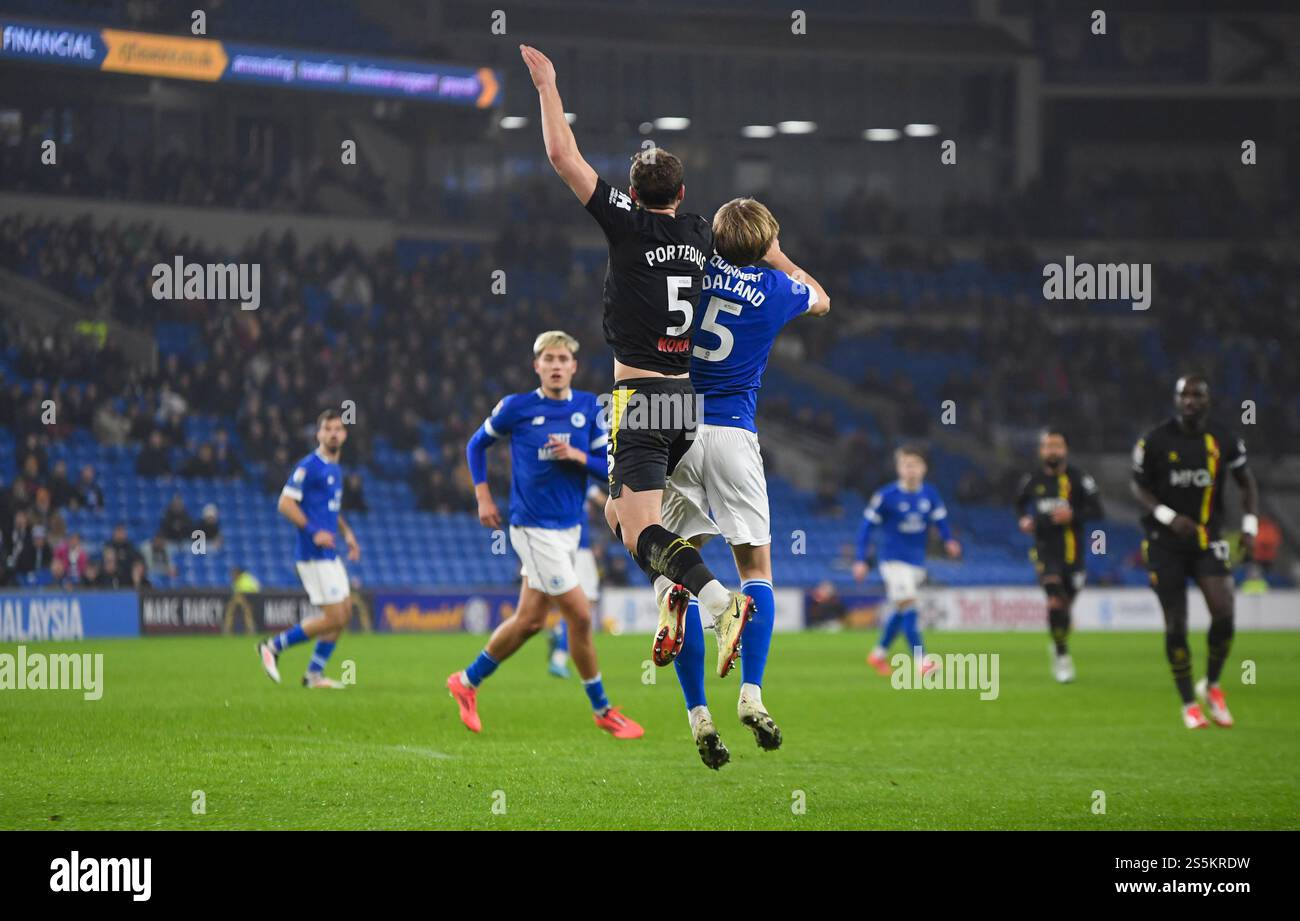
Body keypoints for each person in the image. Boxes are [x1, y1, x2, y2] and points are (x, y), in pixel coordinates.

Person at [521, 43, 752, 679]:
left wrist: (548, 86)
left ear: (631, 191)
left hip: (641, 399)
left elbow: (561, 155)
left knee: (642, 530)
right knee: (620, 518)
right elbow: (752, 240)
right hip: (686, 403)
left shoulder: (627, 224)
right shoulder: (701, 233)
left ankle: (715, 601)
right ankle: (672, 595)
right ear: (681, 194)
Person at [659, 197, 830, 768]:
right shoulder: (777, 290)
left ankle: (696, 714)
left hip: (673, 424)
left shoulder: (692, 269)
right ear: (764, 243)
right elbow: (823, 298)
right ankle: (751, 694)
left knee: (677, 566)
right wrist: (777, 255)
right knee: (755, 571)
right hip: (732, 433)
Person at [449, 331, 643, 739]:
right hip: (531, 528)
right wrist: (483, 496)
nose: (556, 365)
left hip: (569, 528)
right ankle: (602, 709)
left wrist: (576, 456)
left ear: (573, 366)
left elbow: (606, 468)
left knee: (530, 620)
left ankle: (466, 682)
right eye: (548, 359)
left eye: (562, 359)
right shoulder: (516, 408)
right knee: (579, 613)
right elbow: (476, 445)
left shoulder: (589, 408)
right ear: (536, 366)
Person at [1130, 375, 1257, 729]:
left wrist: (1249, 527)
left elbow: (1247, 482)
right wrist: (1168, 516)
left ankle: (1212, 684)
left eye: (1196, 395)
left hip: (1207, 538)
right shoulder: (1155, 440)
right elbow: (1137, 485)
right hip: (1163, 542)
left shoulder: (1223, 439)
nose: (1190, 401)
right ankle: (1188, 702)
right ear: (1175, 400)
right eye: (1184, 395)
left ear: (1207, 400)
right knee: (1177, 624)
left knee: (1224, 612)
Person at [256, 409, 361, 689]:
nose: (333, 433)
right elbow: (285, 503)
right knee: (334, 617)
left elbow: (331, 511)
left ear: (345, 434)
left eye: (338, 429)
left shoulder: (335, 469)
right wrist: (315, 532)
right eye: (328, 429)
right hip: (312, 555)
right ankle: (272, 646)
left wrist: (347, 534)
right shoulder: (309, 466)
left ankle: (314, 674)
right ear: (319, 434)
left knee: (346, 613)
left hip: (330, 553)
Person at [854, 446, 962, 677]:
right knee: (909, 605)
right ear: (898, 468)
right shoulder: (886, 496)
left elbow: (941, 521)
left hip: (916, 563)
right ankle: (922, 660)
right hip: (893, 562)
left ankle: (878, 654)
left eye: (915, 464)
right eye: (905, 464)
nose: (910, 469)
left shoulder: (930, 494)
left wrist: (949, 540)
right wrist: (861, 559)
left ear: (923, 468)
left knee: (901, 609)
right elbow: (866, 528)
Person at [1015, 429, 1104, 682]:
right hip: (1044, 549)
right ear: (1041, 450)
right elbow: (1019, 503)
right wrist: (1023, 519)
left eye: (1057, 446)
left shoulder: (1079, 478)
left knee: (1064, 608)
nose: (1052, 451)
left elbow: (1098, 510)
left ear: (1065, 450)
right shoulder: (1032, 479)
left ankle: (1058, 640)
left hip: (1074, 553)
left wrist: (1073, 515)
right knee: (1054, 599)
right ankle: (1063, 657)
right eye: (1048, 446)